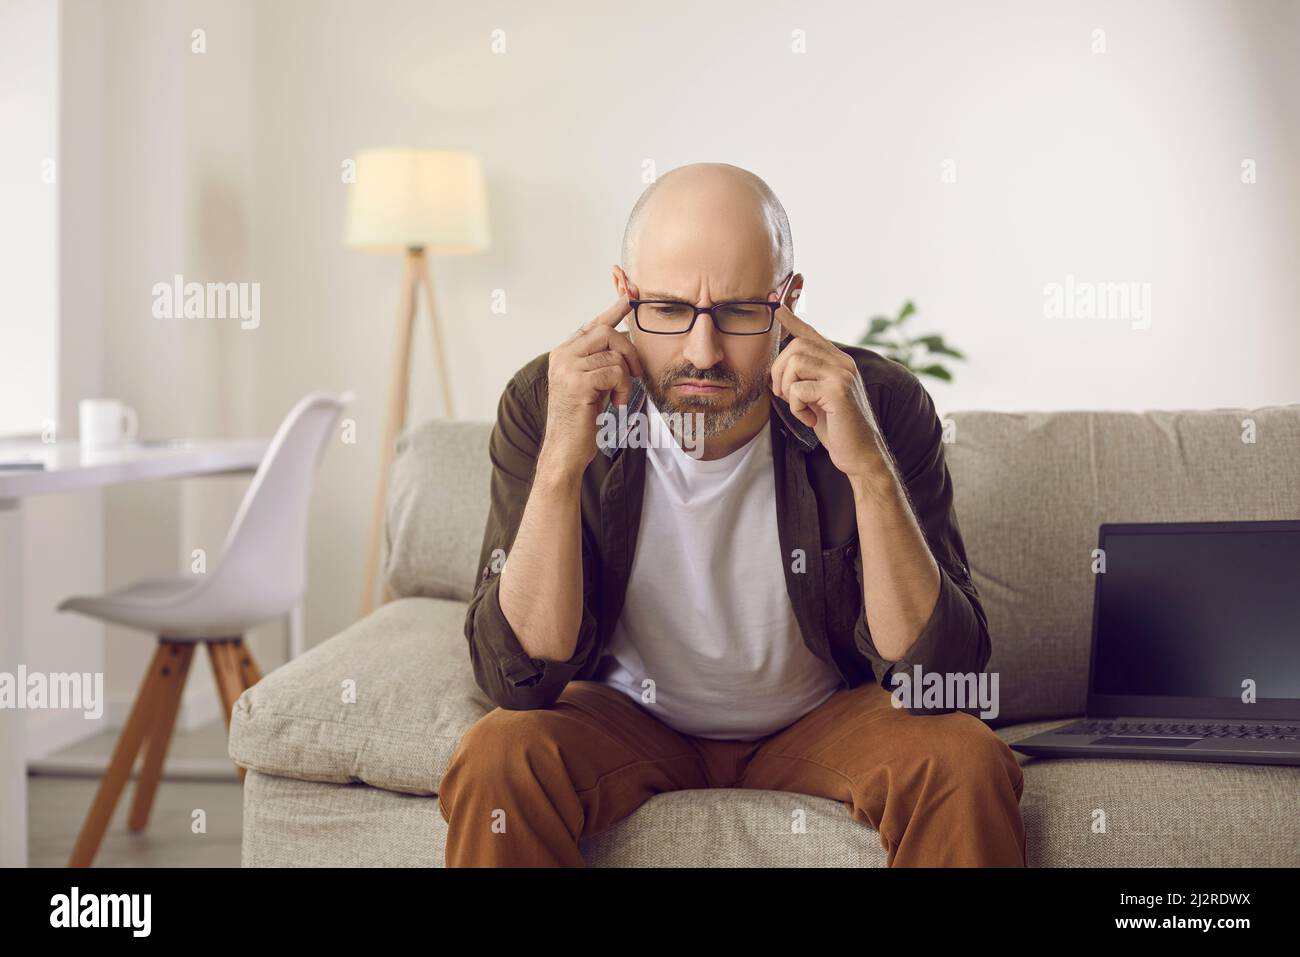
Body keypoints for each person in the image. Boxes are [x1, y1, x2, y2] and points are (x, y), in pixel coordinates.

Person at [438, 162, 1026, 867]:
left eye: (742, 311)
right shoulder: (550, 400)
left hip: (820, 719)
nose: (702, 350)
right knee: (500, 755)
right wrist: (563, 461)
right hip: (626, 720)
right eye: (668, 308)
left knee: (962, 759)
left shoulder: (879, 403)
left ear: (789, 301)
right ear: (625, 298)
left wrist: (868, 470)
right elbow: (517, 678)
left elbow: (941, 672)